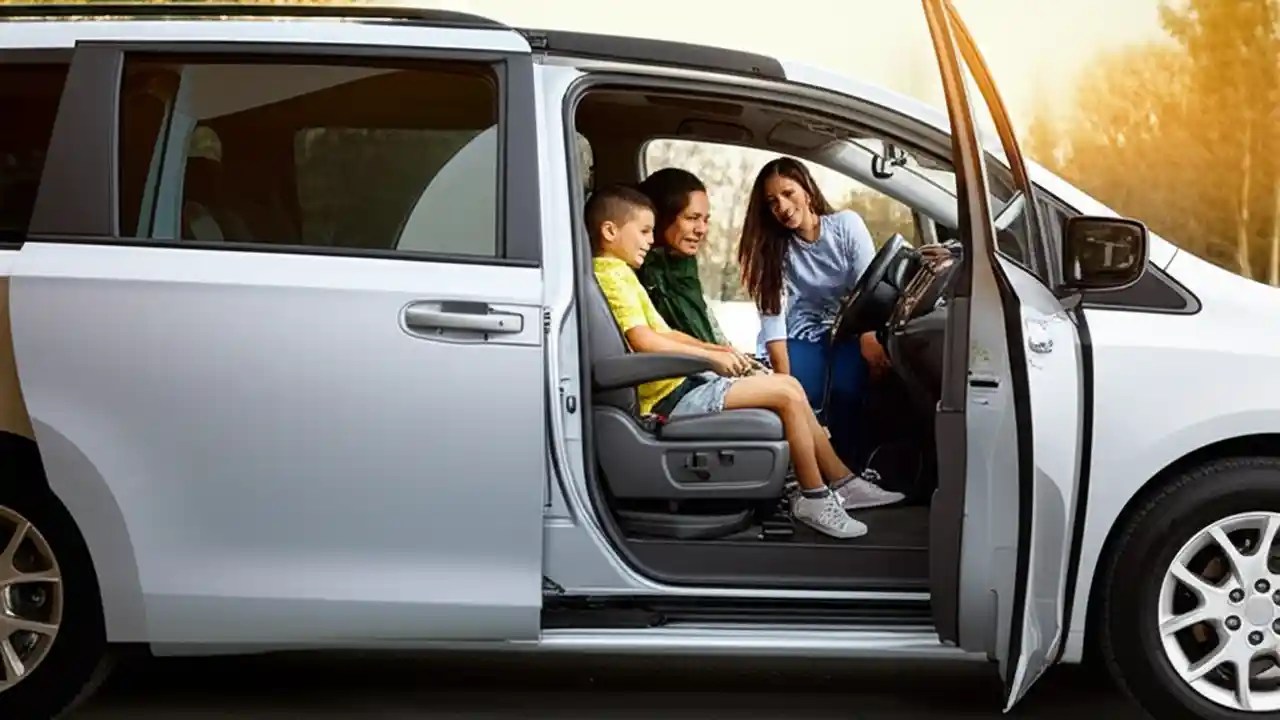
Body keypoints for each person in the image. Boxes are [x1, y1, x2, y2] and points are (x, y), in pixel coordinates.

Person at [587, 183, 892, 539]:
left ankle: (842, 482)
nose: (650, 240)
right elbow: (643, 340)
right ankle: (813, 497)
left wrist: (718, 352)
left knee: (789, 385)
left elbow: (665, 333)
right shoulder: (609, 274)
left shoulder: (621, 273)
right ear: (610, 231)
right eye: (643, 232)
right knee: (786, 394)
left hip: (680, 387)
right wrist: (708, 358)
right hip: (667, 399)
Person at [738, 157, 895, 475]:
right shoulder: (774, 250)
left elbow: (869, 288)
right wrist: (784, 384)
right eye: (772, 202)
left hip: (851, 328)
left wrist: (869, 337)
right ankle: (807, 476)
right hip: (801, 333)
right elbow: (773, 322)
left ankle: (853, 472)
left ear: (807, 191)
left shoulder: (846, 226)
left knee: (849, 389)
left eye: (788, 193)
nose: (782, 207)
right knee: (803, 393)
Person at [635, 168, 767, 376]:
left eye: (705, 220)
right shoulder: (644, 275)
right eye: (692, 218)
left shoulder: (683, 266)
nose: (702, 229)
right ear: (661, 218)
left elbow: (708, 329)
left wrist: (738, 359)